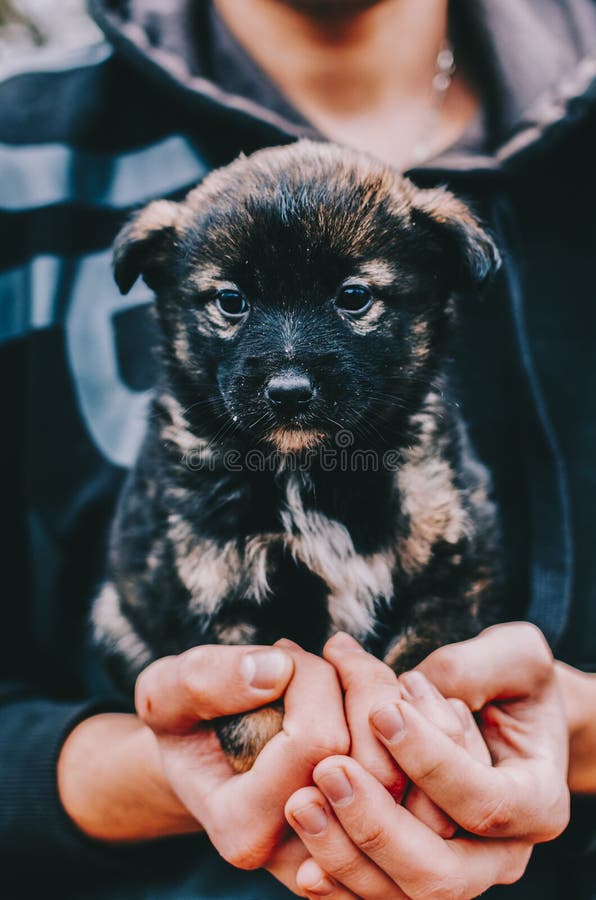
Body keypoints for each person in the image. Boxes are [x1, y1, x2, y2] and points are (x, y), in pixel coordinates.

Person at [1, 0, 596, 896]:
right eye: (231, 305)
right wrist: (133, 775)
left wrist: (580, 736)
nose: (285, 373)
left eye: (356, 299)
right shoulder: (17, 160)